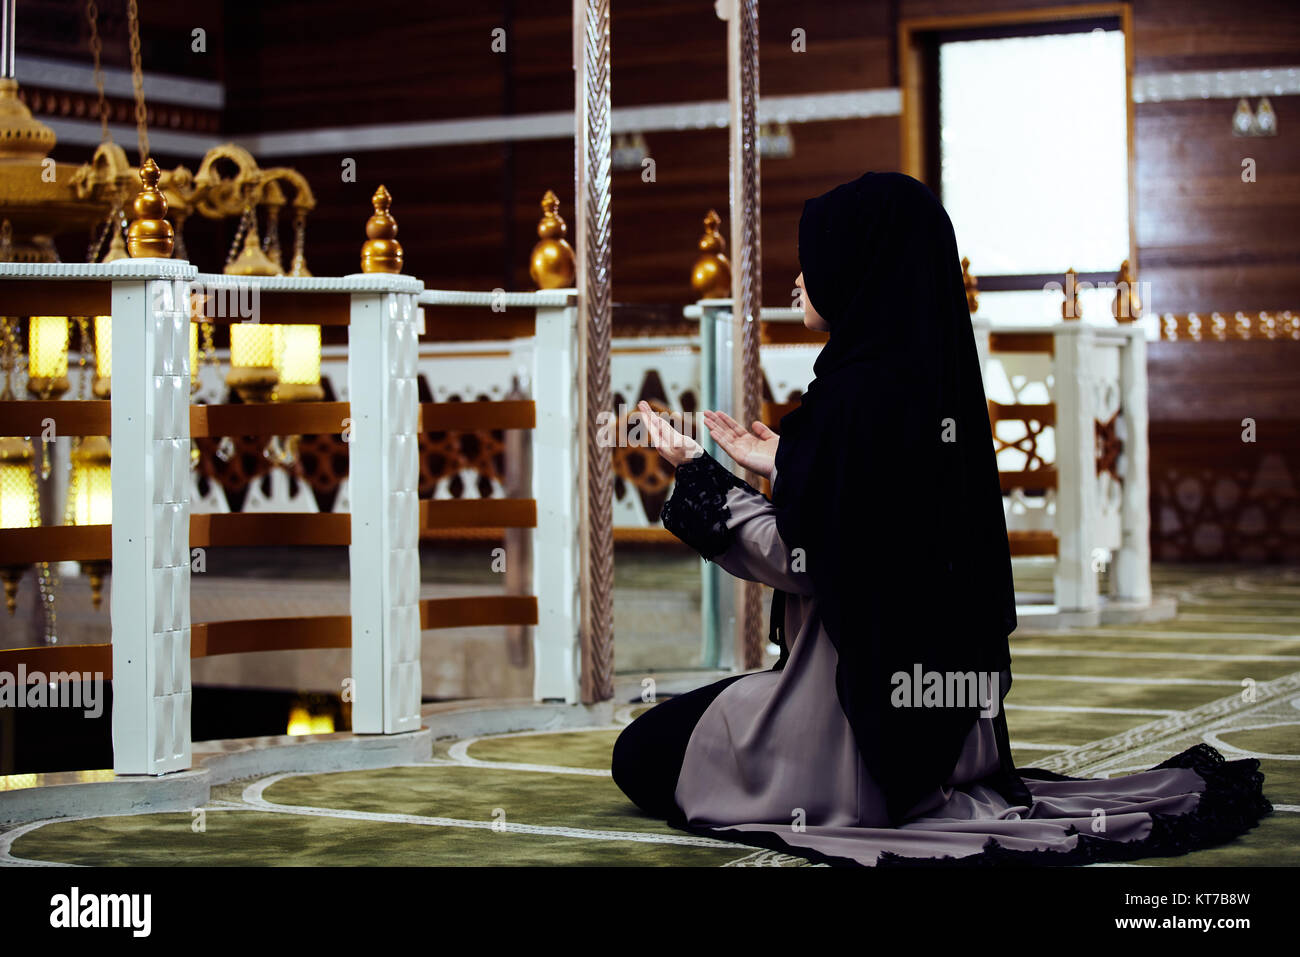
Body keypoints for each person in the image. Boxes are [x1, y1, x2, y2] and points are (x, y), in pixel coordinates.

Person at [610, 171, 1270, 866]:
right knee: (690, 715)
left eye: (814, 258)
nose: (798, 280)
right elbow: (873, 526)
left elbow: (805, 561)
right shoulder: (926, 379)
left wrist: (699, 476)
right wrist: (790, 463)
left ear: (861, 265)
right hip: (952, 732)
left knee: (640, 752)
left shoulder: (854, 397)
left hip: (858, 738)